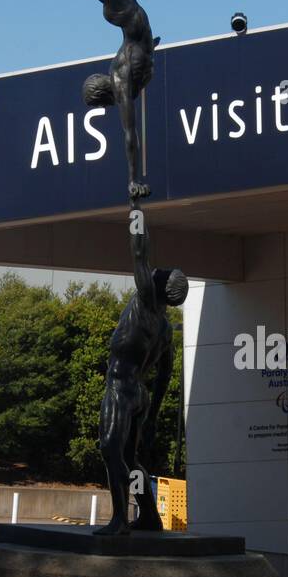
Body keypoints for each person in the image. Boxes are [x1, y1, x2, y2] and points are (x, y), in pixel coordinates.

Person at [20, 0, 159, 200]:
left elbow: (130, 135)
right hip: (128, 14)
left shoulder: (122, 78)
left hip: (127, 16)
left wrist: (135, 179)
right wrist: (133, 181)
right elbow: (129, 135)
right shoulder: (123, 85)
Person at [94, 204, 188, 534]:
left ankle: (121, 518)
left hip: (121, 389)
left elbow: (139, 252)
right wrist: (153, 418)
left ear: (157, 288)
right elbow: (163, 377)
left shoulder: (146, 303)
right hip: (141, 396)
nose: (151, 273)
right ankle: (148, 513)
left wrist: (136, 209)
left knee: (109, 449)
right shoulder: (164, 329)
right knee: (130, 459)